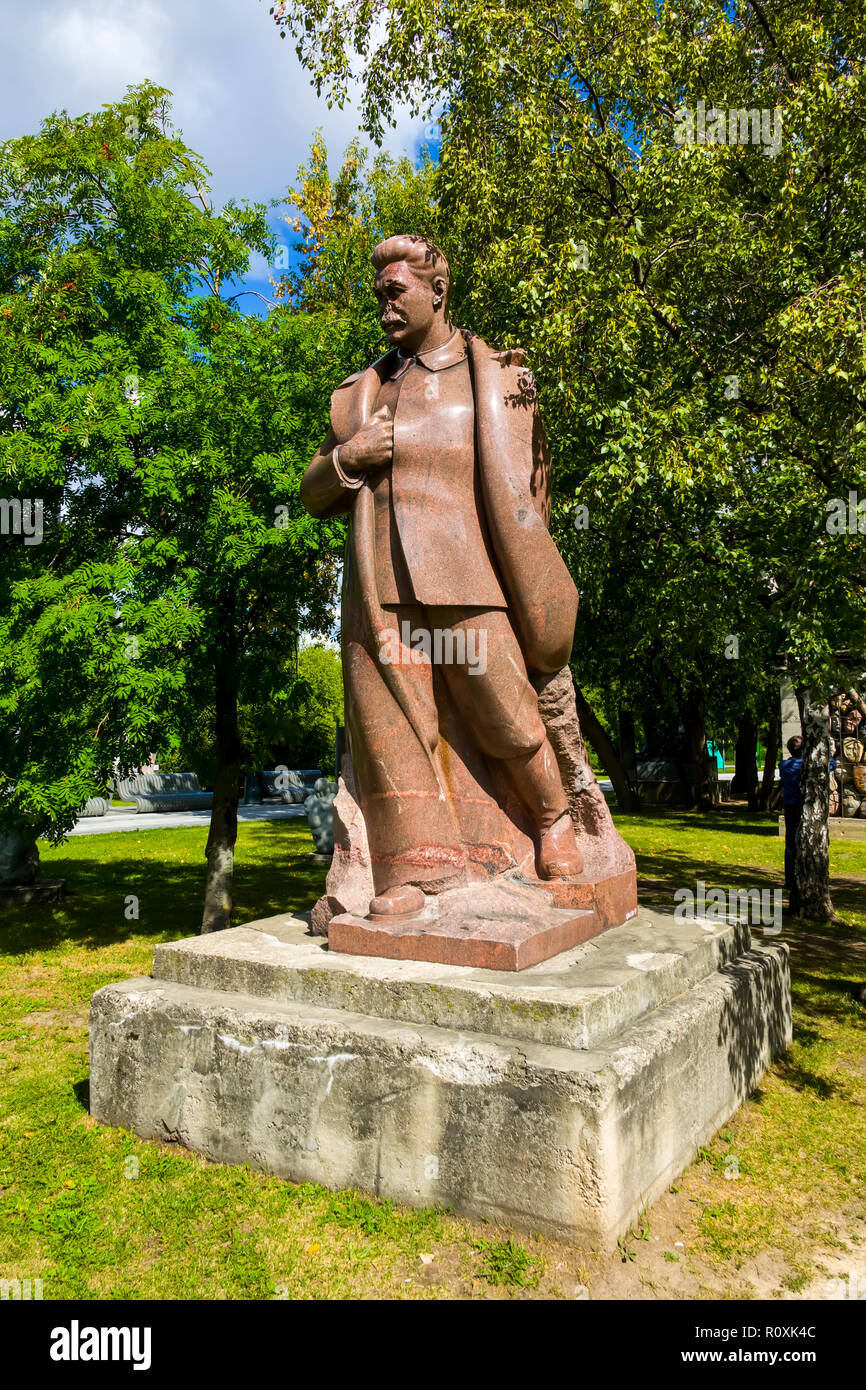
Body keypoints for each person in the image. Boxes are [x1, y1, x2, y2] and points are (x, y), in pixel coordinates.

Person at [300, 234, 584, 922]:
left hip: (468, 577)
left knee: (508, 719)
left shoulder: (499, 377)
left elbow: (531, 495)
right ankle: (413, 877)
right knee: (392, 734)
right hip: (379, 591)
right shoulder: (363, 393)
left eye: (396, 292)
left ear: (437, 290)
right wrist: (350, 457)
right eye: (378, 297)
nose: (385, 308)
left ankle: (553, 819)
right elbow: (311, 493)